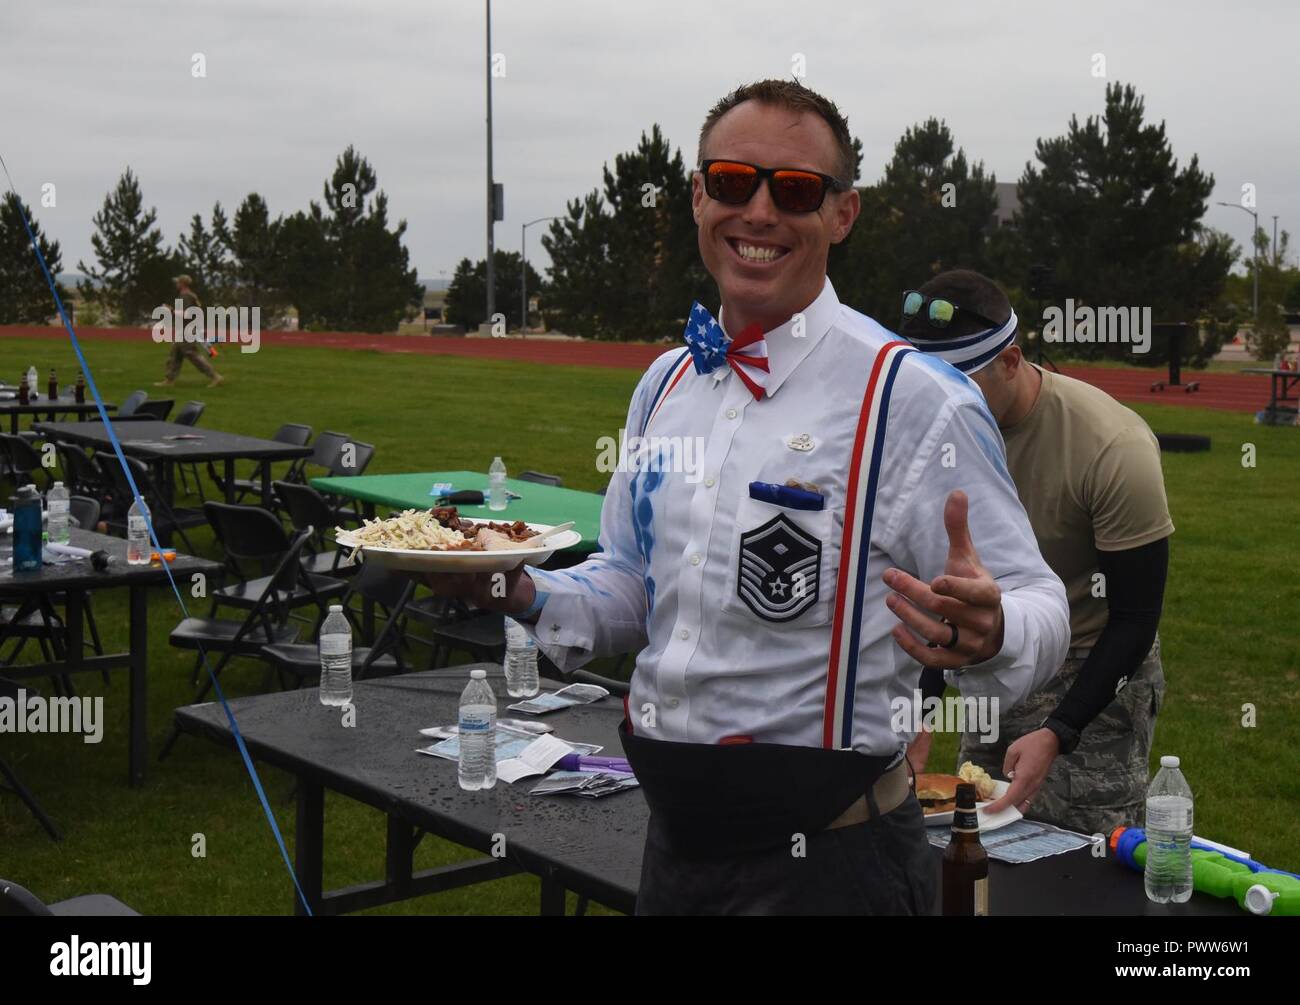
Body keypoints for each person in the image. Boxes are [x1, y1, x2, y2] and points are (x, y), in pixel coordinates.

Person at [423, 81, 1068, 915]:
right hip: (675, 852)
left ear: (842, 214)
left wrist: (997, 625)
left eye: (794, 189)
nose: (758, 210)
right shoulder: (665, 384)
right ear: (698, 198)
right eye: (732, 181)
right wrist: (514, 583)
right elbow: (632, 584)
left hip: (835, 868)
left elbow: (1041, 600)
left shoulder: (911, 398)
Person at [901, 270, 1173, 837]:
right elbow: (940, 594)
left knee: (1084, 849)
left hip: (1090, 661)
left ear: (1010, 360)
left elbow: (1135, 618)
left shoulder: (1112, 447)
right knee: (979, 838)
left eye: (960, 382)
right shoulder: (934, 443)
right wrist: (921, 717)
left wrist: (1059, 729)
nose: (942, 404)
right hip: (991, 652)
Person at [156, 274, 224, 388]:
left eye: (178, 282)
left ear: (182, 284)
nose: (176, 284)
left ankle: (215, 377)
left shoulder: (186, 296)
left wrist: (171, 311)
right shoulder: (188, 295)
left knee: (193, 355)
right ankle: (169, 380)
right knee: (175, 354)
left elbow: (188, 314)